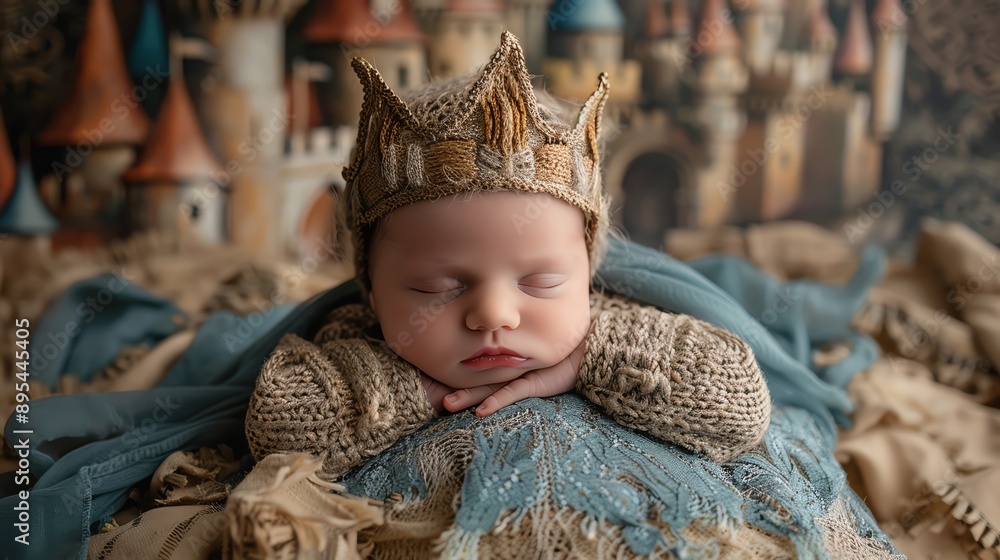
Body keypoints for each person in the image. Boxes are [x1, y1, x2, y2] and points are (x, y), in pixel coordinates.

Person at [245, 32, 771, 479]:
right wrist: (414, 389)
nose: (495, 315)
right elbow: (275, 426)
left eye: (541, 282)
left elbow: (740, 403)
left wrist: (590, 360)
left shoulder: (606, 327)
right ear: (373, 292)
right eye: (436, 288)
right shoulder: (362, 340)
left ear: (588, 275)